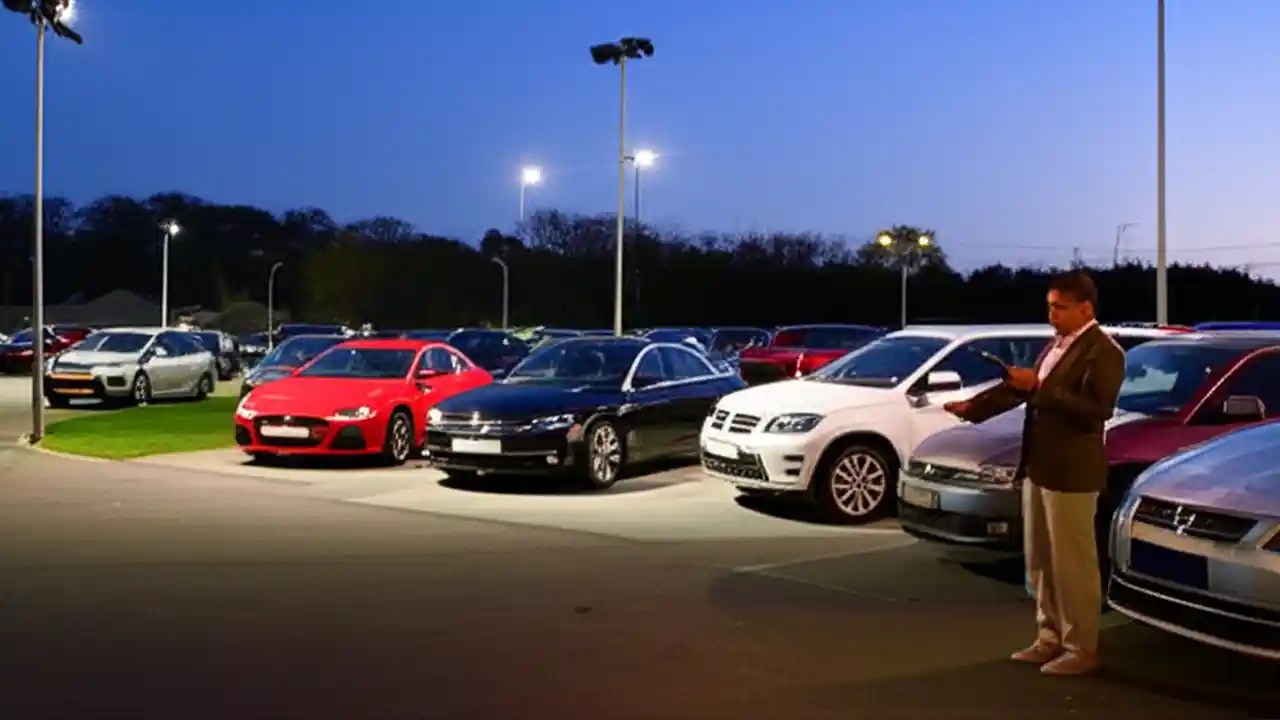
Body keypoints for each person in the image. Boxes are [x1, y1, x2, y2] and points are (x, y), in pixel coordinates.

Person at [943, 271, 1124, 676]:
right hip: (1039, 467)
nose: (1052, 315)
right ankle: (1049, 637)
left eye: (1059, 307)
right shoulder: (1055, 347)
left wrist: (1040, 387)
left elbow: (1097, 409)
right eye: (1049, 306)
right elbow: (1026, 388)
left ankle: (1081, 647)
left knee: (1072, 564)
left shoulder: (1104, 351)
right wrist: (973, 409)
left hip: (1073, 473)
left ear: (1085, 308)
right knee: (1041, 560)